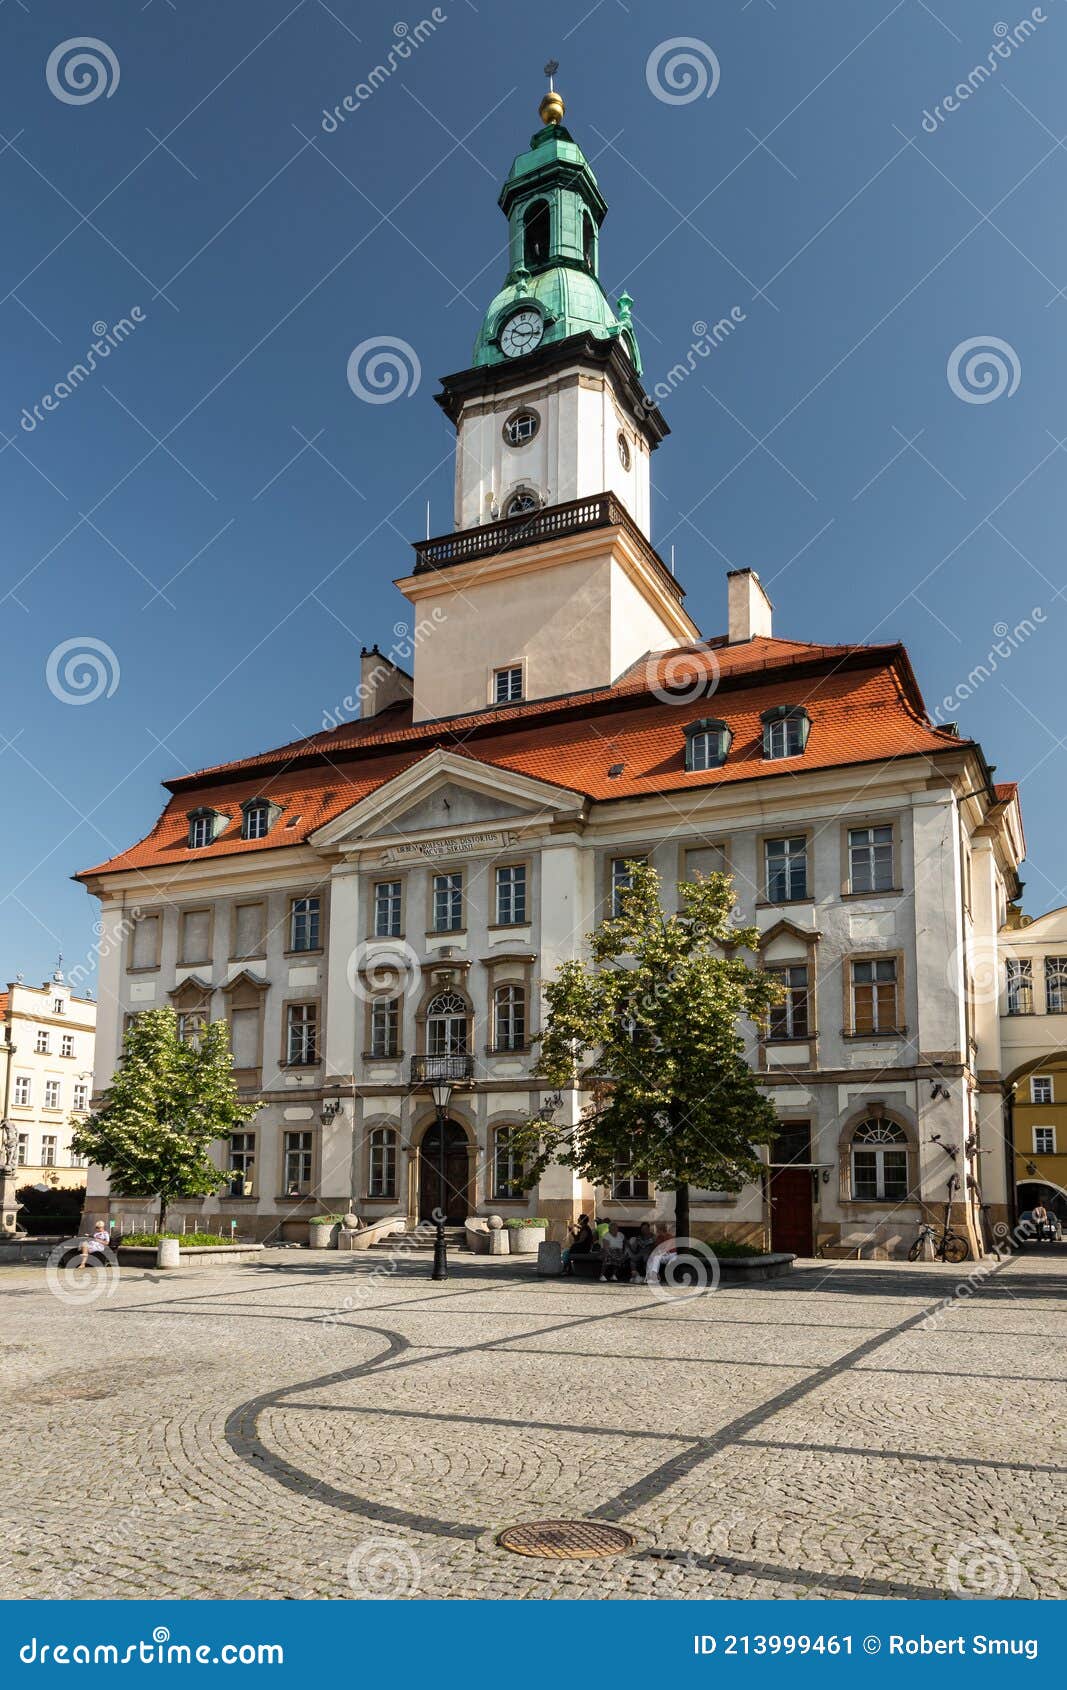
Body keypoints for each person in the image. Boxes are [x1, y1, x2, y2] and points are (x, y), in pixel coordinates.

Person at [645, 1219, 677, 1284]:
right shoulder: (659, 1237)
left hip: (673, 1255)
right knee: (655, 1257)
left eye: (657, 1229)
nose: (656, 1231)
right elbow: (656, 1249)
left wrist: (660, 1252)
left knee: (670, 1264)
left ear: (660, 1229)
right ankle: (653, 1276)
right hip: (665, 1255)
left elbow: (666, 1249)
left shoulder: (669, 1236)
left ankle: (670, 1279)